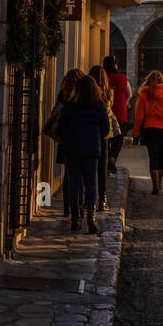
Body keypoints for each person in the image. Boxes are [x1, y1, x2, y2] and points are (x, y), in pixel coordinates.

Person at [56, 75, 110, 234]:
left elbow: (61, 128)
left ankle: (75, 219)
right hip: (91, 149)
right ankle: (91, 218)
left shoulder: (70, 106)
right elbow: (106, 130)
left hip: (72, 149)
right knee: (91, 183)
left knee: (74, 183)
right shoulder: (99, 106)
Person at [132, 70, 163, 195]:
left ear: (148, 80)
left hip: (151, 130)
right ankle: (160, 183)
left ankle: (155, 185)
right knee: (161, 157)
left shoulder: (144, 95)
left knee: (153, 157)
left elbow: (139, 117)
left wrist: (135, 133)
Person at [45, 68, 84, 222]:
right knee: (78, 176)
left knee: (68, 174)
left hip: (65, 138)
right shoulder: (83, 95)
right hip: (79, 139)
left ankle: (68, 207)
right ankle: (78, 207)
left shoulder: (63, 93)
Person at [89, 65, 119, 212]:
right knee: (102, 168)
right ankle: (103, 198)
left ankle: (89, 200)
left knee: (89, 168)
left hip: (90, 132)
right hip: (104, 133)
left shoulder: (88, 93)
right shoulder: (108, 93)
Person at [103, 54, 132, 173]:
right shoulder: (122, 78)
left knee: (106, 139)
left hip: (105, 112)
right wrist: (125, 102)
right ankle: (112, 158)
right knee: (118, 139)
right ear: (115, 66)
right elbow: (129, 94)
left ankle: (105, 162)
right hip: (120, 112)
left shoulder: (103, 78)